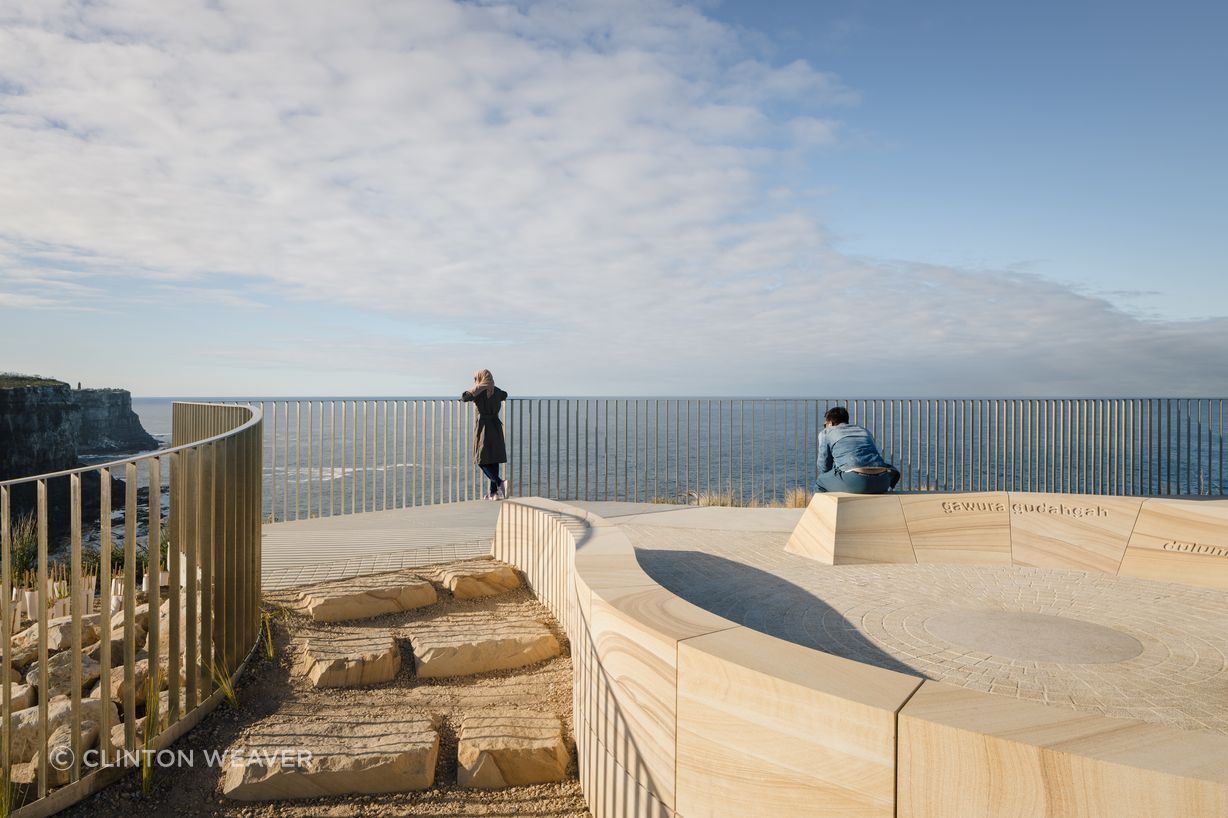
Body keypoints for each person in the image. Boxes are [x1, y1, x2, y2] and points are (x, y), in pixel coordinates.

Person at [815, 406, 900, 494]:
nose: (825, 427)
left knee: (820, 482)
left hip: (856, 481)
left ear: (830, 423)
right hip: (883, 481)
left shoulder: (826, 432)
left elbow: (824, 466)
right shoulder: (863, 431)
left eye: (825, 425)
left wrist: (827, 477)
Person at [462, 369, 509, 500]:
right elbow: (505, 395)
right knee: (493, 458)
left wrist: (477, 387)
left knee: (481, 460)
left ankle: (499, 482)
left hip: (483, 427)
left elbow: (465, 397)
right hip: (495, 426)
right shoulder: (497, 391)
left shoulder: (478, 392)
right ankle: (494, 493)